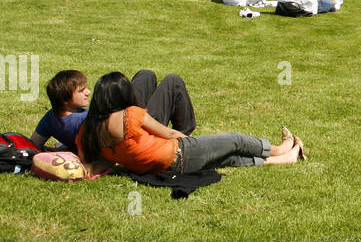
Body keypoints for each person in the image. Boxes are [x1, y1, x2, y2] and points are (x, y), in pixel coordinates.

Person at [77, 72, 305, 175]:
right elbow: (168, 133)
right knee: (234, 140)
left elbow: (91, 162)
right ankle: (279, 149)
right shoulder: (130, 115)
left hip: (159, 167)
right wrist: (194, 143)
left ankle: (283, 160)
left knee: (222, 157)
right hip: (178, 155)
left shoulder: (87, 130)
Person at [30, 69, 197, 154]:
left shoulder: (50, 117)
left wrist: (61, 149)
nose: (88, 92)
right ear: (65, 101)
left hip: (126, 117)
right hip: (140, 129)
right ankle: (185, 139)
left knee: (145, 75)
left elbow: (34, 145)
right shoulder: (86, 119)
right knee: (172, 82)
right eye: (81, 91)